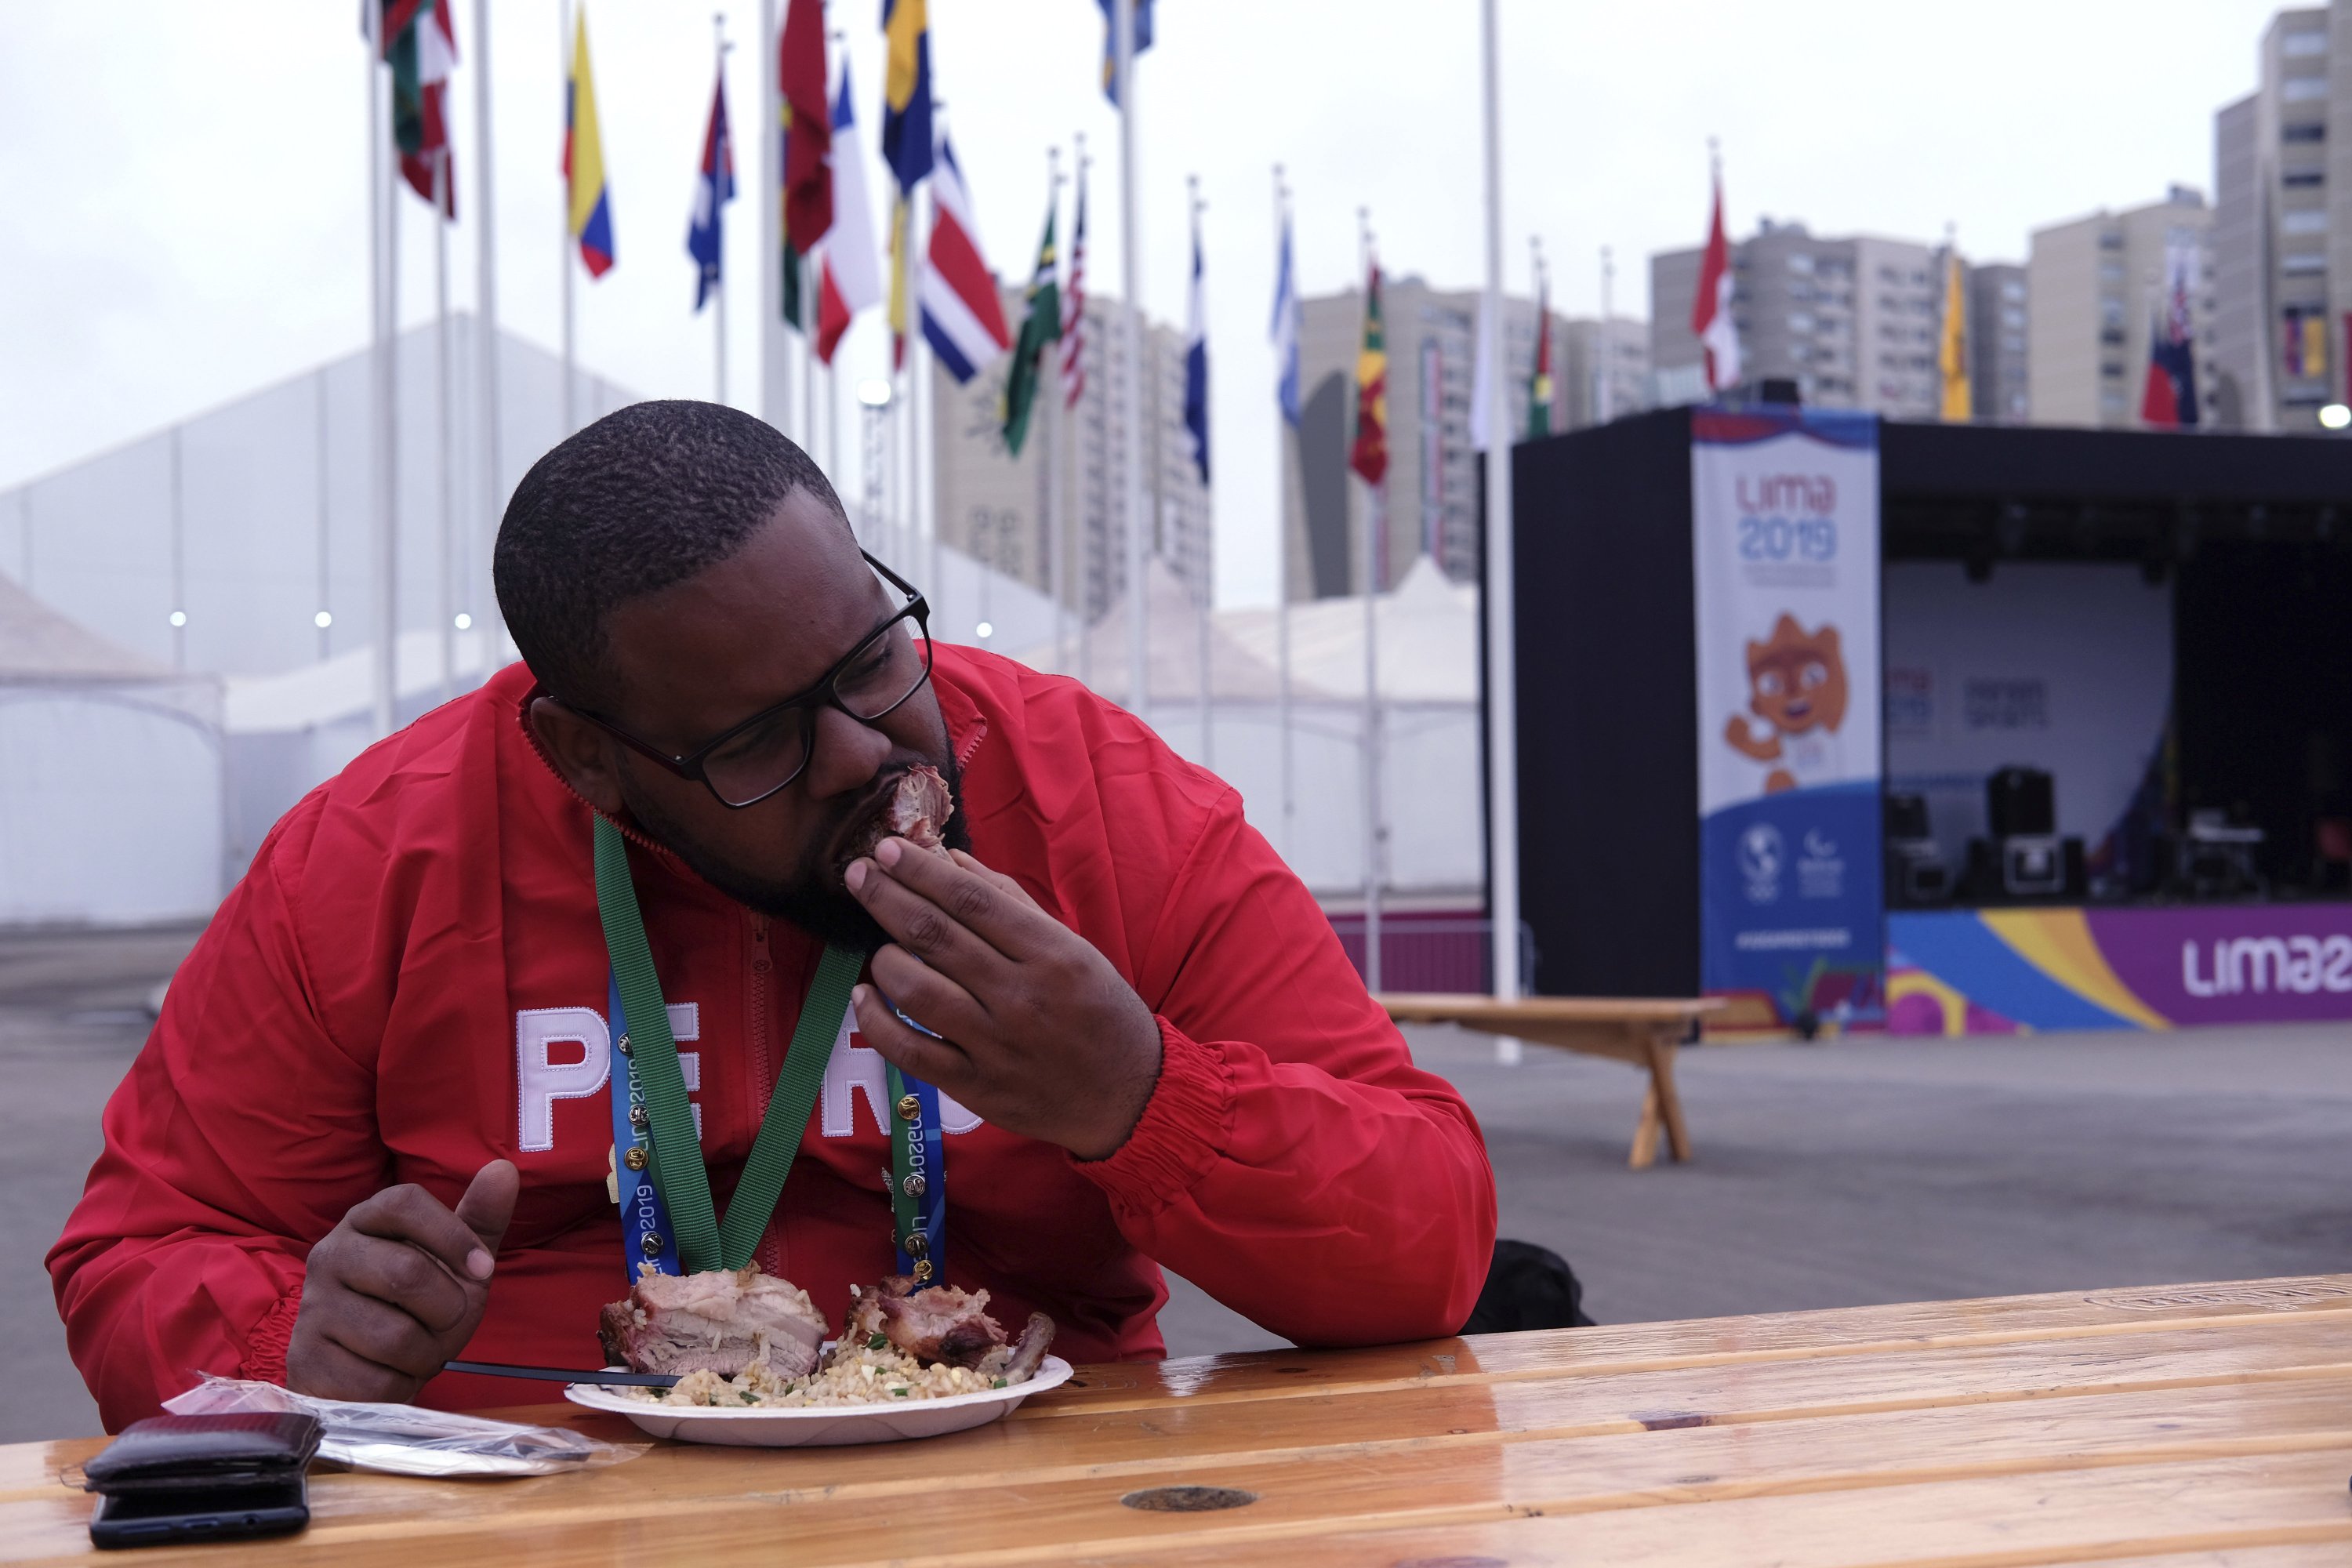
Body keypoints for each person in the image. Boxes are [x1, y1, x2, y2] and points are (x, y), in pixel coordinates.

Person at [50, 401, 1496, 1429]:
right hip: (541, 1507)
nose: (870, 752)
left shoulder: (1099, 802)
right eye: (756, 743)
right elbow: (140, 1248)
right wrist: (284, 1343)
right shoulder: (377, 854)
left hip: (1040, 1512)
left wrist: (1141, 1097)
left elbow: (1434, 1243)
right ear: (589, 757)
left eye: (874, 655)